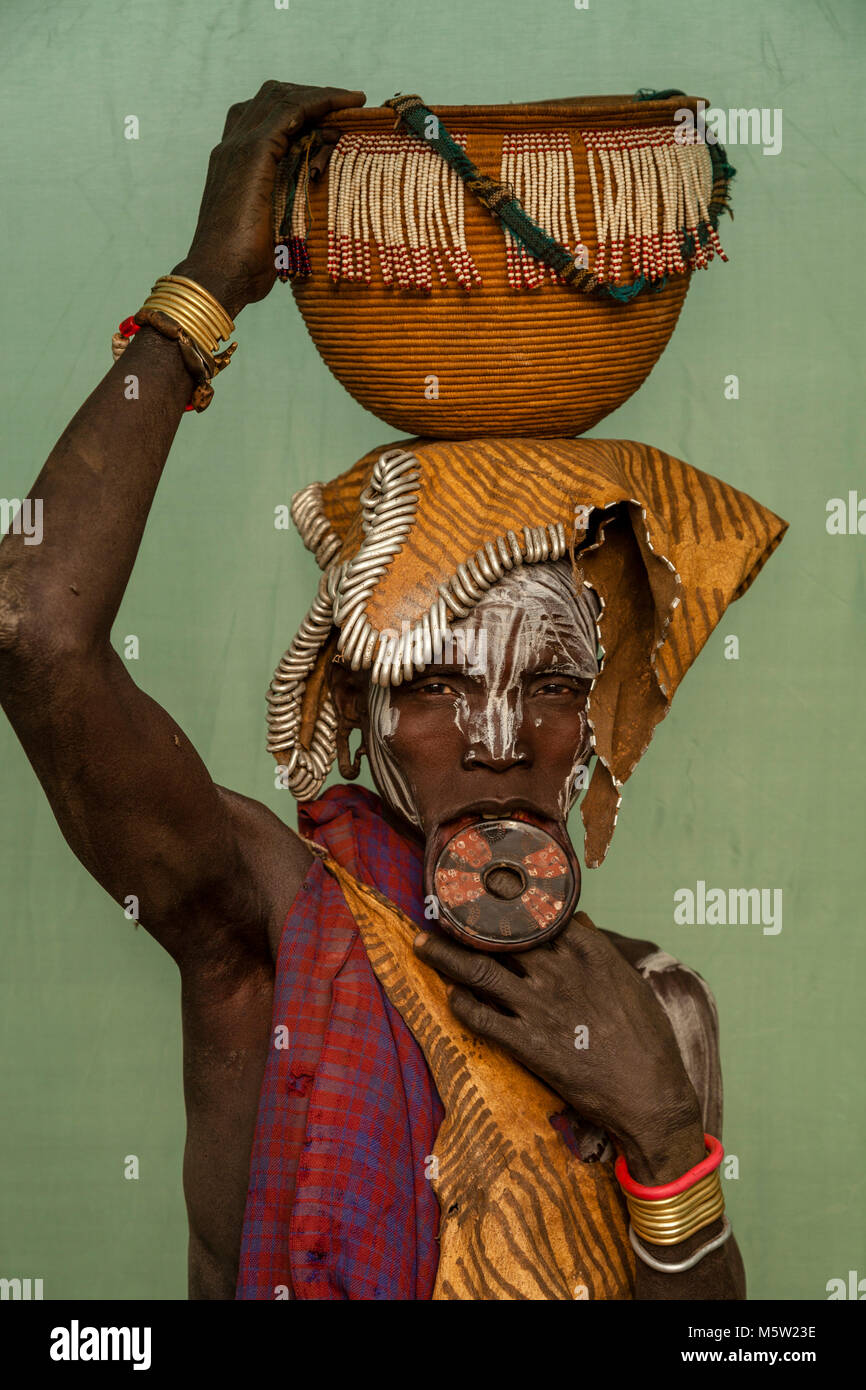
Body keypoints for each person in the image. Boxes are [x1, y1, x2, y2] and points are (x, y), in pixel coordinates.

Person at [0, 81, 772, 1301]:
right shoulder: (261, 925)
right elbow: (32, 630)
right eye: (433, 681)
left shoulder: (651, 1007)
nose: (501, 736)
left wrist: (665, 1137)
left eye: (554, 681)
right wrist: (208, 284)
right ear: (356, 714)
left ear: (594, 730)